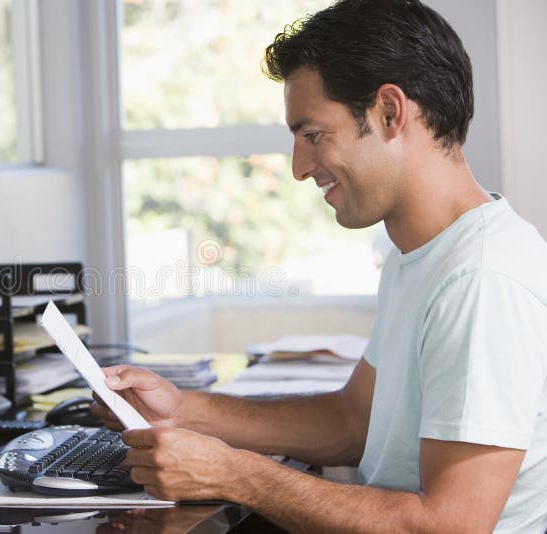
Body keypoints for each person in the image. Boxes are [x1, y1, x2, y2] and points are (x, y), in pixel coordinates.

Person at [90, 0, 547, 531]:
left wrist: (233, 474)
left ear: (390, 113)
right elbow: (354, 419)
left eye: (313, 136)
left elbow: (448, 525)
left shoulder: (480, 280)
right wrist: (182, 411)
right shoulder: (424, 255)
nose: (299, 168)